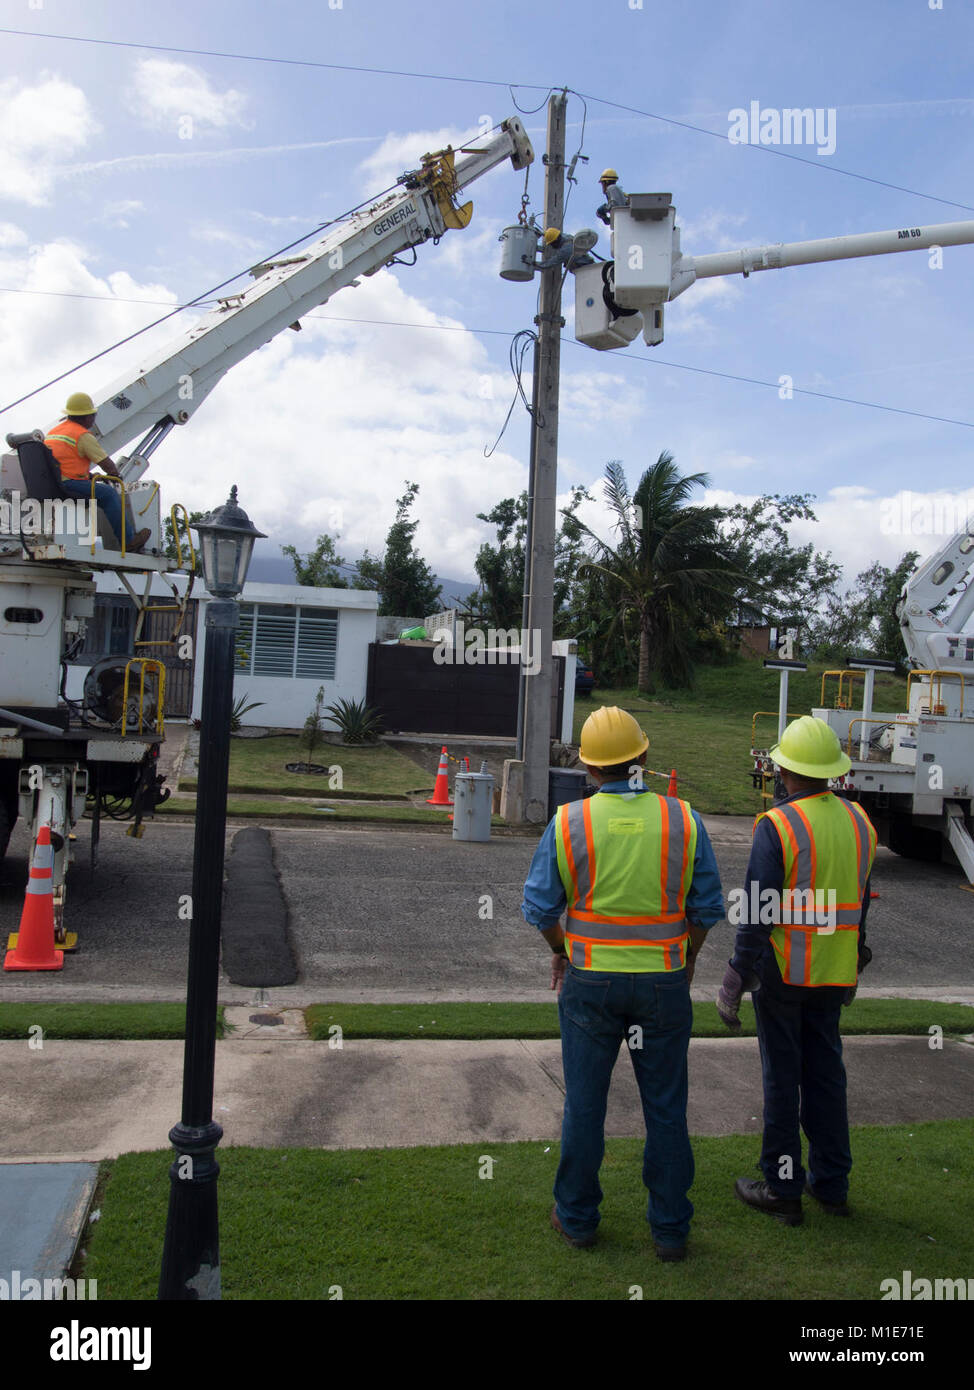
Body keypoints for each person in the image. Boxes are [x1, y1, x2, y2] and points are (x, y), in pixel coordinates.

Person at [521, 705, 725, 1260]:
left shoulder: (569, 823)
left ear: (589, 770)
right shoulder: (684, 820)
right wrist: (686, 962)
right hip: (663, 985)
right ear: (643, 758)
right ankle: (669, 1231)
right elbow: (706, 909)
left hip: (590, 985)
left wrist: (562, 953)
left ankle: (578, 1219)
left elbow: (539, 908)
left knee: (585, 1106)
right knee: (665, 1108)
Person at [717, 715, 877, 1225]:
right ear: (830, 772)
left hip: (784, 974)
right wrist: (856, 958)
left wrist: (736, 975)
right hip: (834, 975)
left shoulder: (778, 826)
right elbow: (860, 904)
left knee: (782, 1079)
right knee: (827, 1076)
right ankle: (831, 1186)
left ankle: (783, 1188)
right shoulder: (860, 823)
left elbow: (759, 911)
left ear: (784, 771)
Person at [45, 392, 151, 554]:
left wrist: (88, 476)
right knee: (108, 494)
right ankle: (128, 540)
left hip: (55, 482)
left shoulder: (53, 433)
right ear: (86, 417)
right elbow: (107, 465)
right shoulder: (82, 435)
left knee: (100, 490)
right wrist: (116, 477)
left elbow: (63, 462)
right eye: (93, 416)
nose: (94, 420)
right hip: (68, 484)